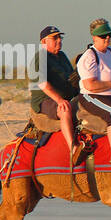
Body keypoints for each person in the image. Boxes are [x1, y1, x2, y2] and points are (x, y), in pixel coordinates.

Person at [75, 18, 111, 163]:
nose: (107, 38)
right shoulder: (89, 57)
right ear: (94, 37)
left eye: (109, 35)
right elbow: (90, 85)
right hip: (93, 96)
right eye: (103, 35)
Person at [30, 26, 83, 161]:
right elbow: (43, 84)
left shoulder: (62, 56)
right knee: (64, 110)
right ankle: (73, 147)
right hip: (46, 100)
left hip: (67, 96)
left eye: (60, 37)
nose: (59, 40)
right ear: (43, 42)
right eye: (54, 38)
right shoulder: (40, 57)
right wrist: (59, 100)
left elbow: (70, 77)